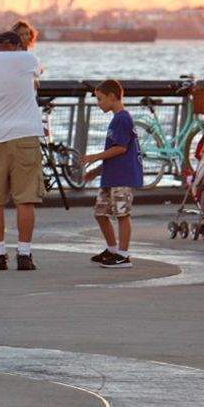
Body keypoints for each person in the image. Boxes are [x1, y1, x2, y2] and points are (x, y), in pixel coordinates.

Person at [0, 31, 45, 271]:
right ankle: (24, 254)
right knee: (25, 199)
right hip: (25, 135)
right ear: (18, 45)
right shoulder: (27, 59)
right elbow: (40, 71)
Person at [82, 79, 143, 268]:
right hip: (111, 175)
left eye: (100, 99)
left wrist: (94, 157)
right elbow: (115, 151)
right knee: (101, 213)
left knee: (122, 214)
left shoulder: (122, 119)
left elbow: (120, 148)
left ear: (112, 97)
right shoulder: (116, 119)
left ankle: (123, 255)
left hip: (122, 176)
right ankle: (112, 249)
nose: (98, 103)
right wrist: (97, 170)